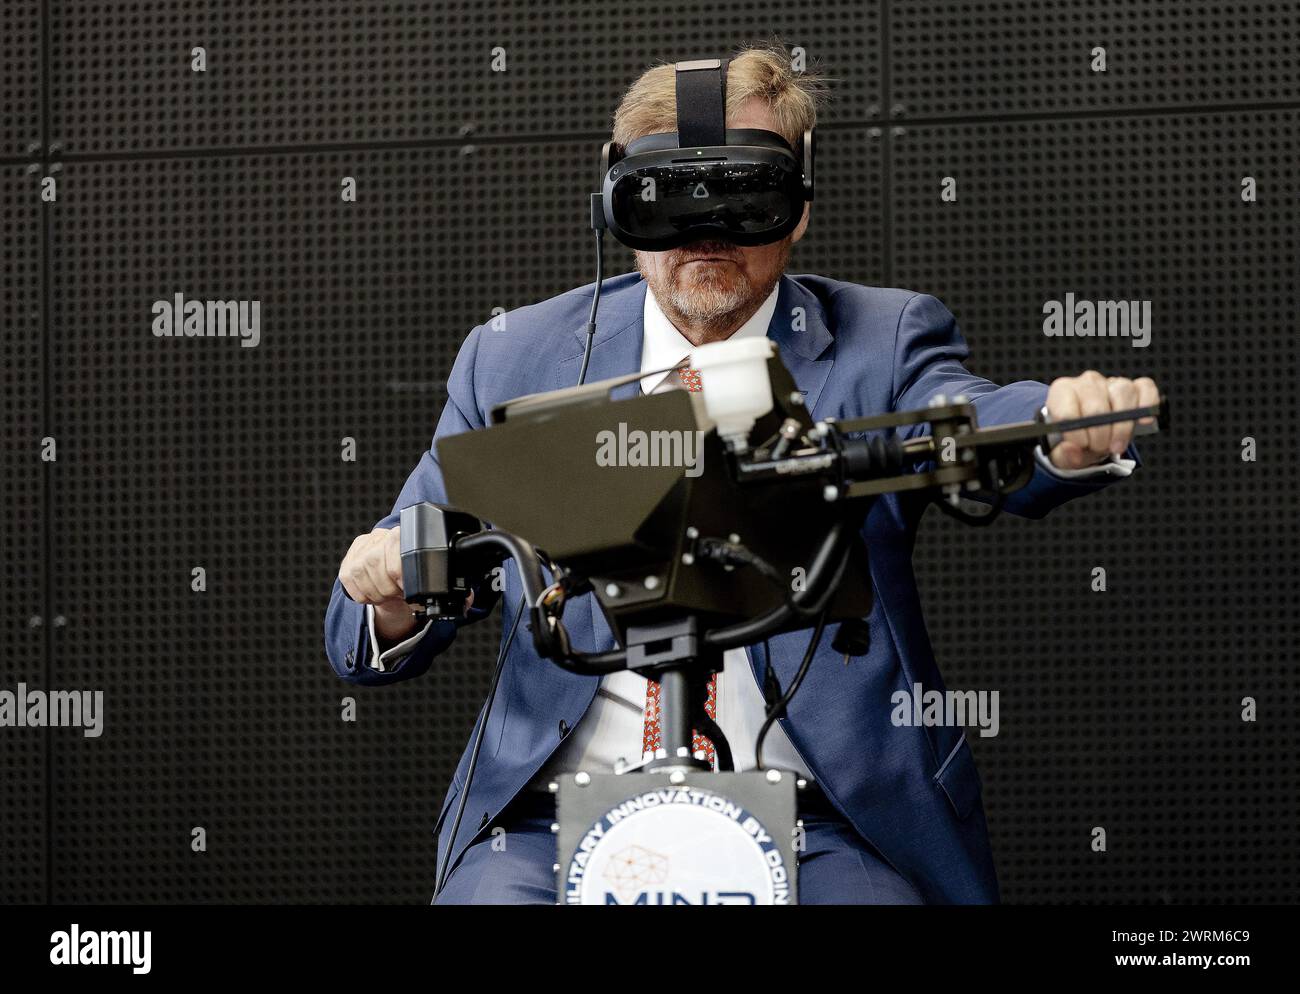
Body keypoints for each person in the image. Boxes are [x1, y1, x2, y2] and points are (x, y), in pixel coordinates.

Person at [324, 44, 1159, 904]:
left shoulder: (882, 338)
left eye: (743, 196)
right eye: (669, 200)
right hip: (551, 817)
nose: (707, 231)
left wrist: (1058, 427)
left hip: (827, 818)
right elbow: (368, 622)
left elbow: (967, 415)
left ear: (797, 207)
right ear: (616, 207)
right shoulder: (516, 359)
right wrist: (384, 592)